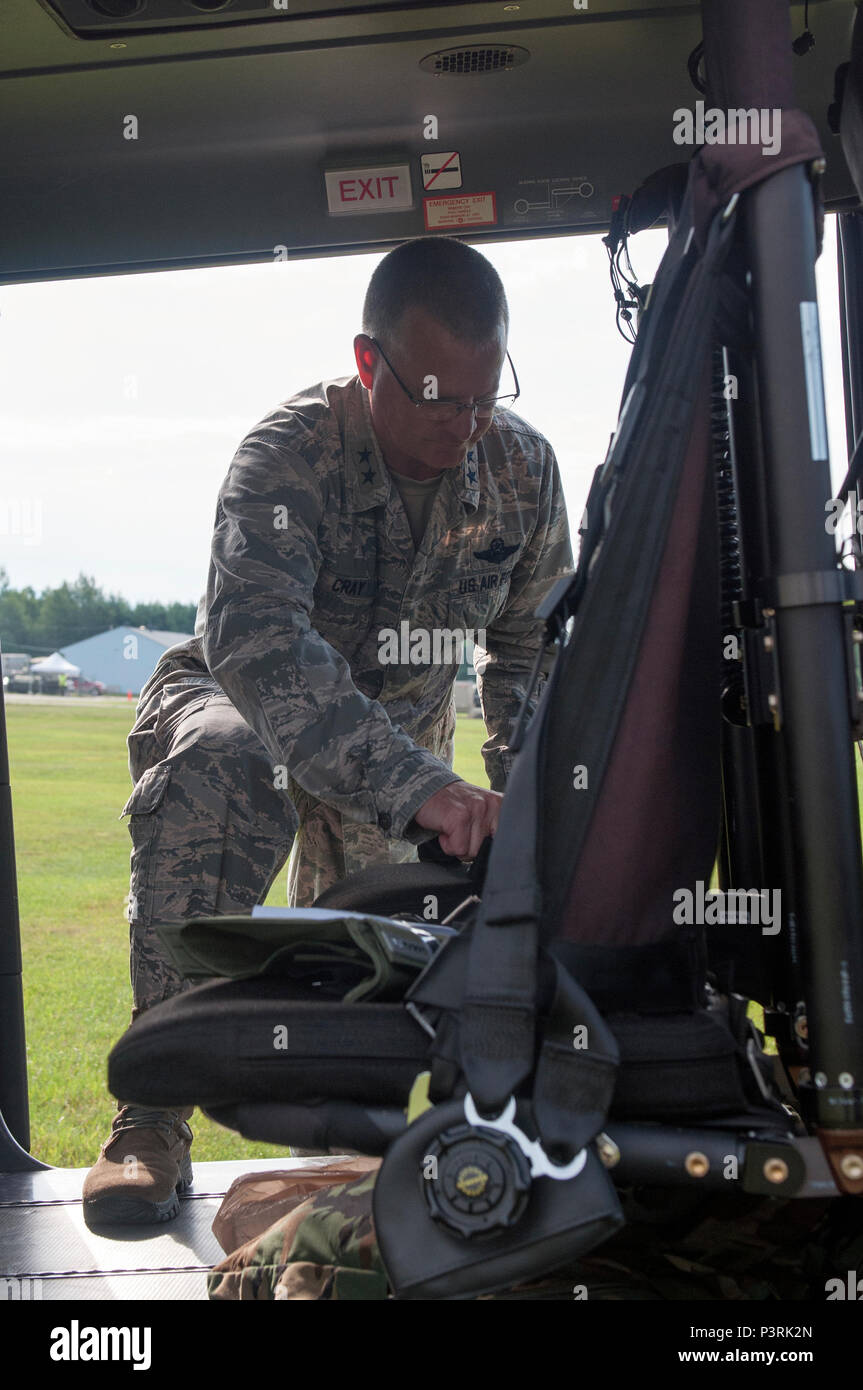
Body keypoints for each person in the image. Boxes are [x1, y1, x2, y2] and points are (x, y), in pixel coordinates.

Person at [82, 235, 573, 1227]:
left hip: (403, 732)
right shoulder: (288, 453)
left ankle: (364, 1167)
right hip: (244, 699)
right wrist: (418, 785)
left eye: (483, 396)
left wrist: (524, 804)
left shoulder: (519, 468)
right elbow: (258, 642)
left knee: (371, 961)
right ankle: (148, 1123)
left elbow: (525, 650)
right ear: (367, 361)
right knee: (222, 765)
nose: (463, 425)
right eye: (438, 398)